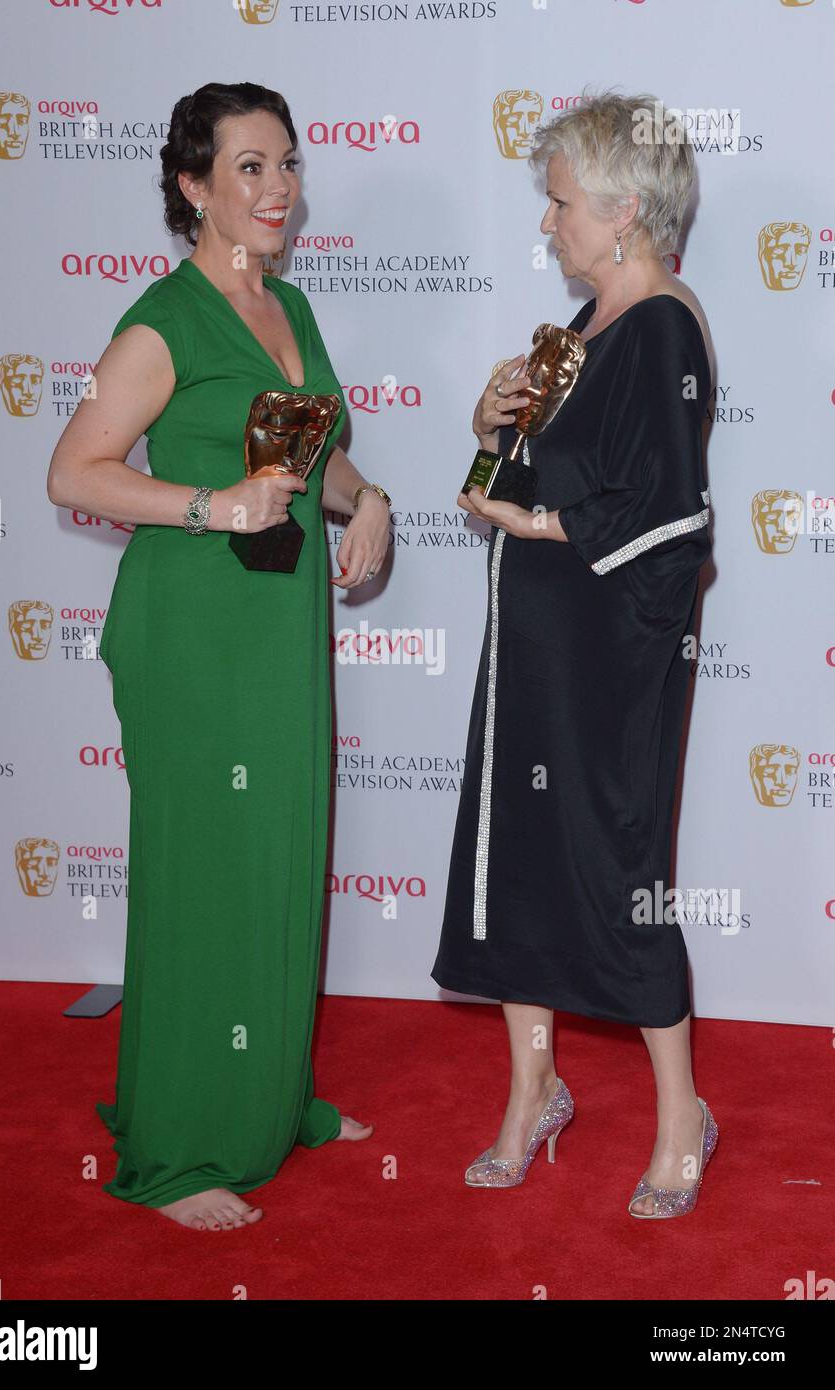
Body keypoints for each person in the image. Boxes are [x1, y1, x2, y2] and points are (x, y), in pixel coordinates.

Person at [47, 82, 392, 1232]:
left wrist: (369, 498)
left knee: (278, 858)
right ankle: (181, 1144)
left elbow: (320, 459)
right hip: (193, 634)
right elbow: (75, 471)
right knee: (204, 876)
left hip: (277, 626)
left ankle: (265, 1095)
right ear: (193, 187)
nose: (278, 187)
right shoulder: (162, 320)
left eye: (286, 164)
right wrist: (212, 506)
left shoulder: (286, 305)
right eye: (248, 167)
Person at [431, 90, 719, 1219]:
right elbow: (516, 481)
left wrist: (540, 523)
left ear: (624, 211)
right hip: (532, 654)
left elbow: (673, 518)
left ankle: (681, 1115)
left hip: (612, 658)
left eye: (559, 204)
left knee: (618, 875)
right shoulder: (582, 333)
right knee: (519, 868)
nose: (546, 225)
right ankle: (531, 1092)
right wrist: (490, 425)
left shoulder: (658, 328)